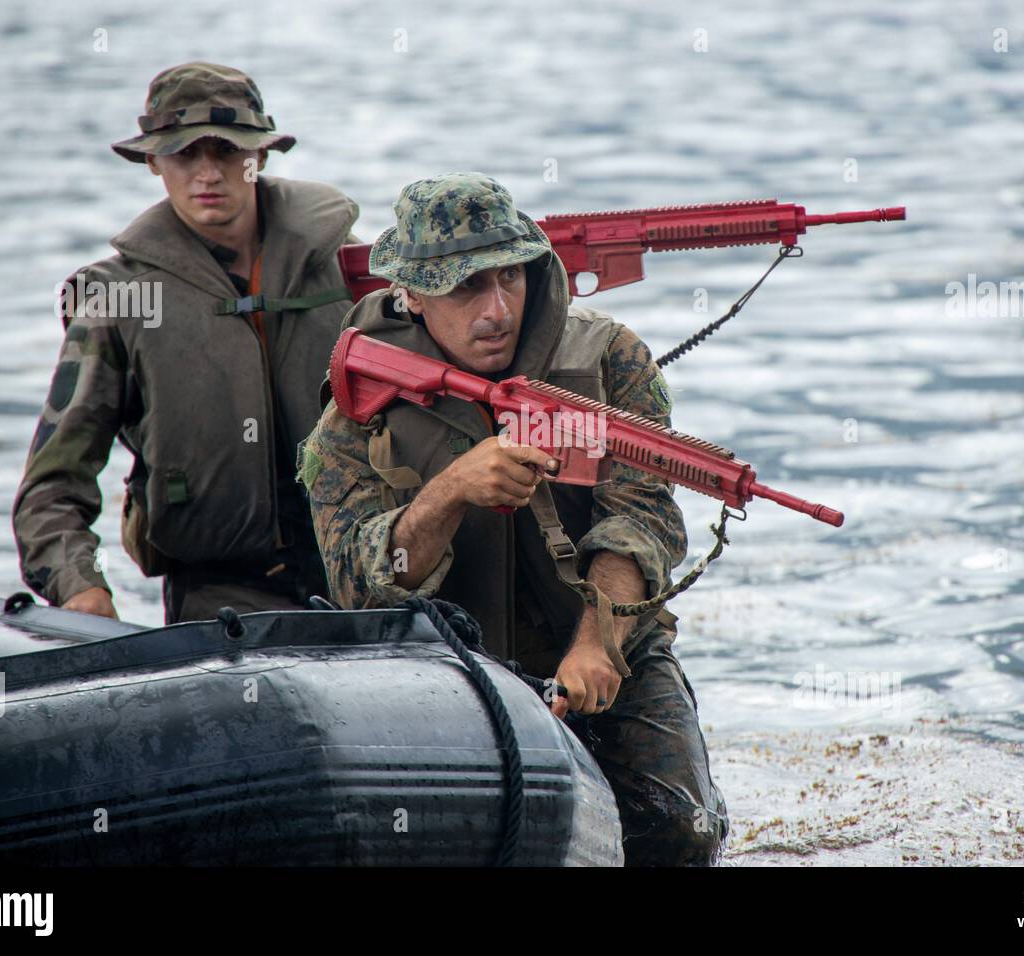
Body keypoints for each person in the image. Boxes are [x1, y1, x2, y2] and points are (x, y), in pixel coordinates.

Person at [299, 172, 729, 865]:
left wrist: (598, 644)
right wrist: (448, 492)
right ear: (410, 294)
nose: (496, 308)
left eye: (511, 278)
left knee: (678, 831)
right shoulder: (359, 402)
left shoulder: (608, 359)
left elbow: (639, 520)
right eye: (467, 287)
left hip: (601, 641)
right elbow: (360, 584)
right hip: (441, 675)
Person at [13, 62, 361, 624]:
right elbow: (53, 485)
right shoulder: (119, 300)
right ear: (153, 161)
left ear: (260, 156)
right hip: (218, 596)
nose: (207, 174)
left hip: (364, 577)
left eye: (226, 152)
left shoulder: (345, 266)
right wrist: (80, 588)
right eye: (184, 154)